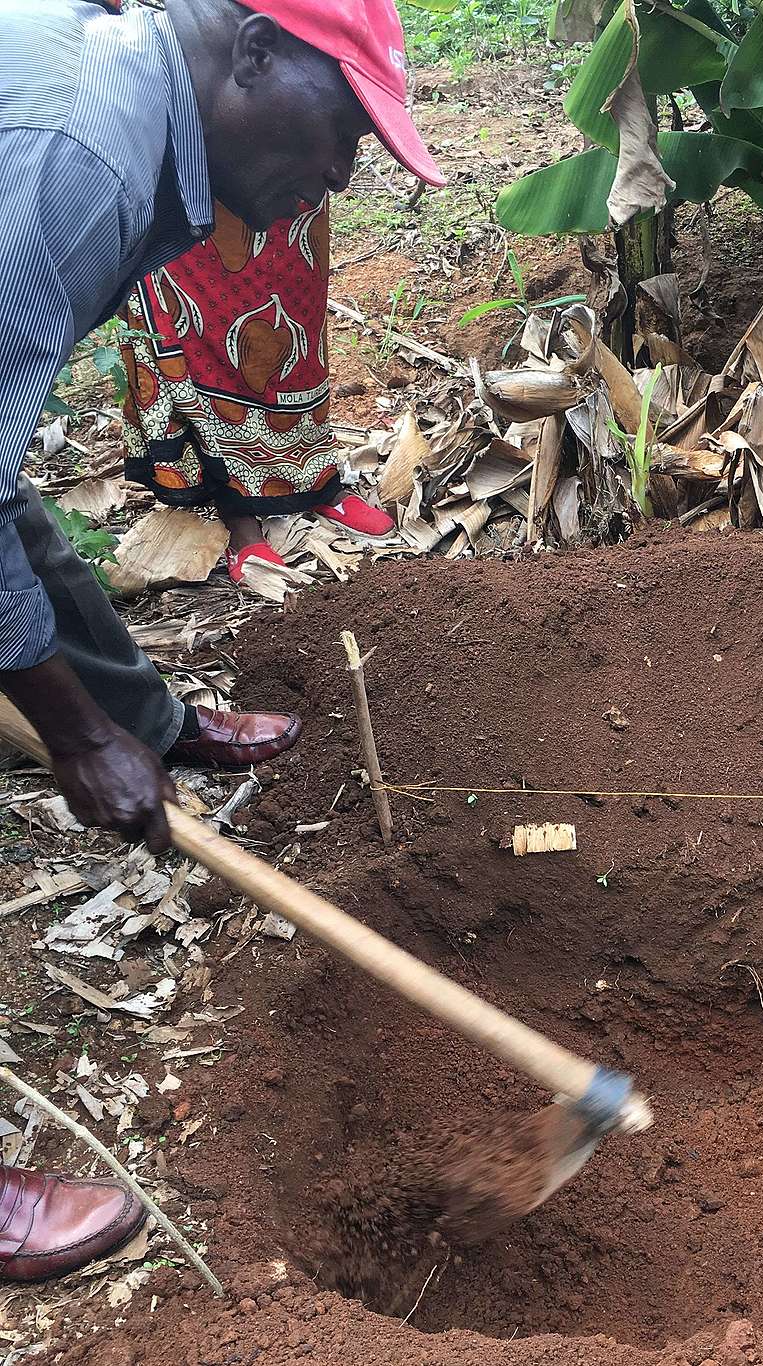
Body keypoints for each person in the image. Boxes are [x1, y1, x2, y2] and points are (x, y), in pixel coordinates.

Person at [0, 0, 443, 1282]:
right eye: (342, 126)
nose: (344, 171)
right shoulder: (78, 160)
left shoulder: (143, 112)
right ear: (253, 53)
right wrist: (73, 745)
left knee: (22, 536)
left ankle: (158, 729)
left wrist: (118, 731)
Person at [120, 195, 396, 586]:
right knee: (196, 322)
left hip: (286, 158)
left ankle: (319, 478)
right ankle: (237, 514)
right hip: (193, 169)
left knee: (296, 313)